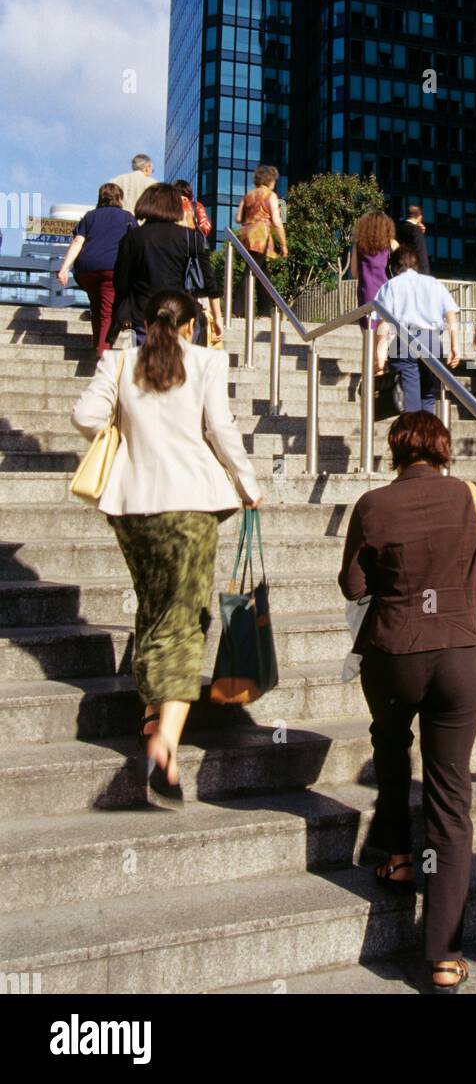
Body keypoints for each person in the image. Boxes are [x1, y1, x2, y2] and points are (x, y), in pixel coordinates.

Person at [338, 410, 476, 992]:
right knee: (451, 798)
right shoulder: (473, 496)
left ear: (395, 451)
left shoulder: (373, 504)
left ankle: (399, 856)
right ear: (445, 449)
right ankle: (445, 955)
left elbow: (354, 586)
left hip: (393, 653)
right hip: (458, 656)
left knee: (389, 740)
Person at [71, 288, 262, 806]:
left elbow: (85, 417)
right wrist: (248, 483)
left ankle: (151, 712)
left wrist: (125, 426)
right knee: (187, 616)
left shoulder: (119, 360)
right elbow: (220, 428)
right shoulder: (206, 361)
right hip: (192, 505)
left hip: (131, 505)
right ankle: (165, 745)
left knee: (156, 605)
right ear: (192, 327)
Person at [107, 183, 223, 347]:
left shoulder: (133, 238)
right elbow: (209, 280)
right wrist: (218, 317)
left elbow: (121, 282)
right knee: (183, 366)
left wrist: (119, 315)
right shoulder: (190, 237)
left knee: (148, 367)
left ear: (145, 203)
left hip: (144, 314)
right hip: (181, 312)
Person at [374, 248, 459, 411]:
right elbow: (451, 313)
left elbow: (384, 323)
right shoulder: (434, 283)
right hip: (432, 342)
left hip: (405, 342)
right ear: (416, 265)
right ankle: (427, 434)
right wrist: (455, 346)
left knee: (409, 398)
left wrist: (380, 354)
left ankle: (412, 432)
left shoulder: (391, 285)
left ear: (394, 267)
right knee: (427, 395)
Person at [56, 183, 137, 354]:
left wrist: (64, 268)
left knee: (97, 307)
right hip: (111, 268)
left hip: (86, 269)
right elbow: (136, 244)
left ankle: (97, 345)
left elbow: (78, 241)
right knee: (107, 311)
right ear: (119, 198)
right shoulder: (127, 217)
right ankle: (103, 353)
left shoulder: (90, 216)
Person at [236, 164, 288, 314]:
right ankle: (238, 308)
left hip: (246, 235)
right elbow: (277, 221)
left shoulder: (248, 195)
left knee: (262, 272)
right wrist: (283, 244)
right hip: (260, 235)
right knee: (251, 270)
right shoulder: (270, 195)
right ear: (270, 180)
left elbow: (238, 217)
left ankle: (265, 310)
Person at [349, 211, 399, 331]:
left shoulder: (359, 244)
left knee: (368, 338)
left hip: (365, 293)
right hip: (386, 294)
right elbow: (403, 268)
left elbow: (354, 272)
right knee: (383, 339)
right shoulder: (391, 244)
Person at [394, 206, 430, 275]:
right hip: (415, 272)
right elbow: (421, 254)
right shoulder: (416, 230)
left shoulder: (398, 228)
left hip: (399, 270)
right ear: (419, 216)